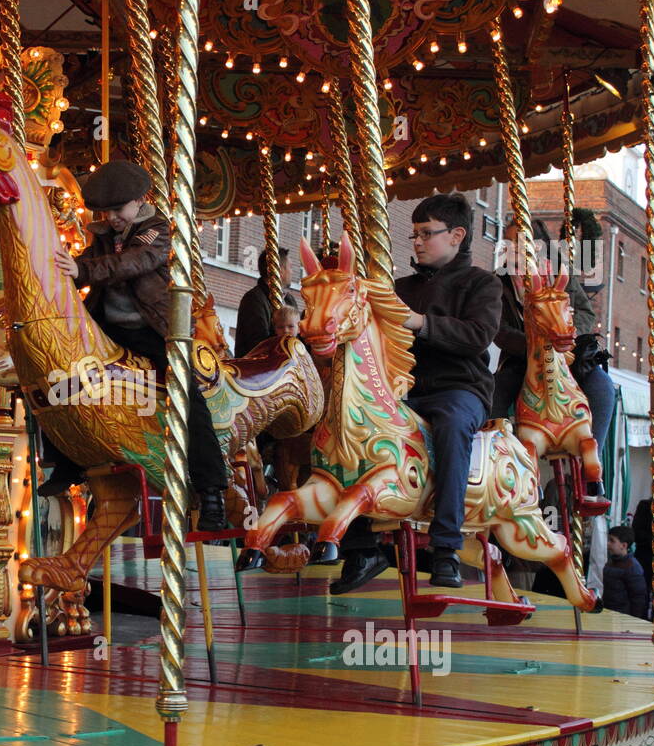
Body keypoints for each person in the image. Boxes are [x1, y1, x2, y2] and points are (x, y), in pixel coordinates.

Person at [330, 194, 502, 591]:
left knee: (453, 426)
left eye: (427, 234)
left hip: (458, 387)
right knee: (352, 426)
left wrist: (418, 322)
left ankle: (446, 547)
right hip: (400, 390)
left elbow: (478, 336)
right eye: (414, 234)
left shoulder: (482, 284)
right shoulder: (397, 286)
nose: (418, 242)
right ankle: (361, 547)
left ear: (457, 235)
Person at [48, 160, 228, 528]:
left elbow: (134, 262)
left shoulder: (156, 230)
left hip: (154, 330)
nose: (113, 217)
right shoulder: (103, 235)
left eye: (119, 209)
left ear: (138, 201)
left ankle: (212, 494)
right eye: (107, 210)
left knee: (187, 399)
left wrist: (82, 270)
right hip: (109, 330)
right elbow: (91, 262)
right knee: (60, 379)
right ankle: (66, 463)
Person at [491, 217, 614, 498]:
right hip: (523, 357)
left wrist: (568, 334)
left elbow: (585, 312)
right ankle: (498, 465)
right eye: (510, 242)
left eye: (522, 243)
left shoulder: (560, 273)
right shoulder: (499, 283)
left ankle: (591, 469)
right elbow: (498, 328)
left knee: (602, 386)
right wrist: (535, 344)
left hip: (565, 352)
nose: (515, 248)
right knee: (494, 393)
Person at [234, 248, 300, 358]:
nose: (292, 272)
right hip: (257, 368)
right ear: (279, 270)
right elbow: (257, 343)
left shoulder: (289, 300)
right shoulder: (254, 299)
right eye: (290, 267)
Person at [603, 525, 648, 619]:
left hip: (623, 616)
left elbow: (638, 597)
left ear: (624, 545)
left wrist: (634, 618)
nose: (608, 544)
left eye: (612, 541)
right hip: (609, 612)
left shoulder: (632, 567)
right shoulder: (610, 562)